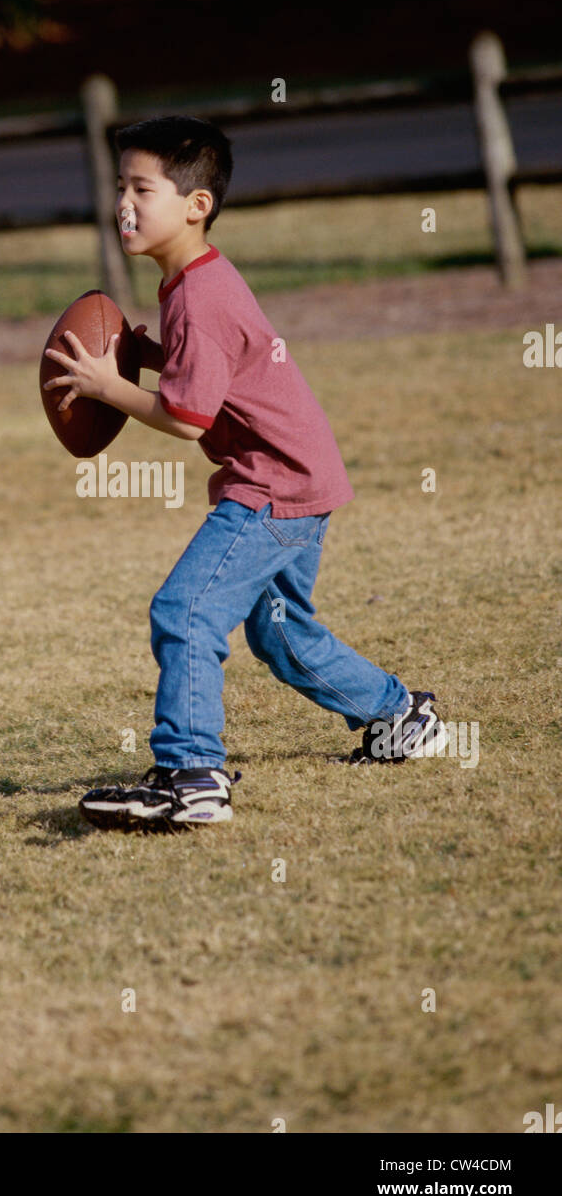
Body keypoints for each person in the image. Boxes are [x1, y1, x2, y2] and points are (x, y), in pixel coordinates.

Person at [42, 116, 446, 831]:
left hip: (271, 489)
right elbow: (214, 372)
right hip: (298, 479)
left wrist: (108, 388)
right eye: (118, 188)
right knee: (281, 633)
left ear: (196, 205)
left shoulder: (199, 296)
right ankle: (400, 716)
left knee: (185, 612)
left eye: (141, 188)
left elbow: (187, 418)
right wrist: (144, 350)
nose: (123, 205)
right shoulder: (193, 284)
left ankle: (191, 774)